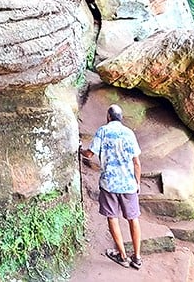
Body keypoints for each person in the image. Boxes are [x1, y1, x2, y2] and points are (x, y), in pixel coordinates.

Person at [81, 104, 143, 270]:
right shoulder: (129, 133)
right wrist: (137, 183)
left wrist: (80, 149)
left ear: (108, 117)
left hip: (109, 183)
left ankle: (122, 255)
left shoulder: (103, 131)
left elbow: (89, 154)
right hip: (128, 184)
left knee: (112, 217)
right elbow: (136, 163)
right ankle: (137, 258)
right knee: (133, 218)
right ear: (121, 118)